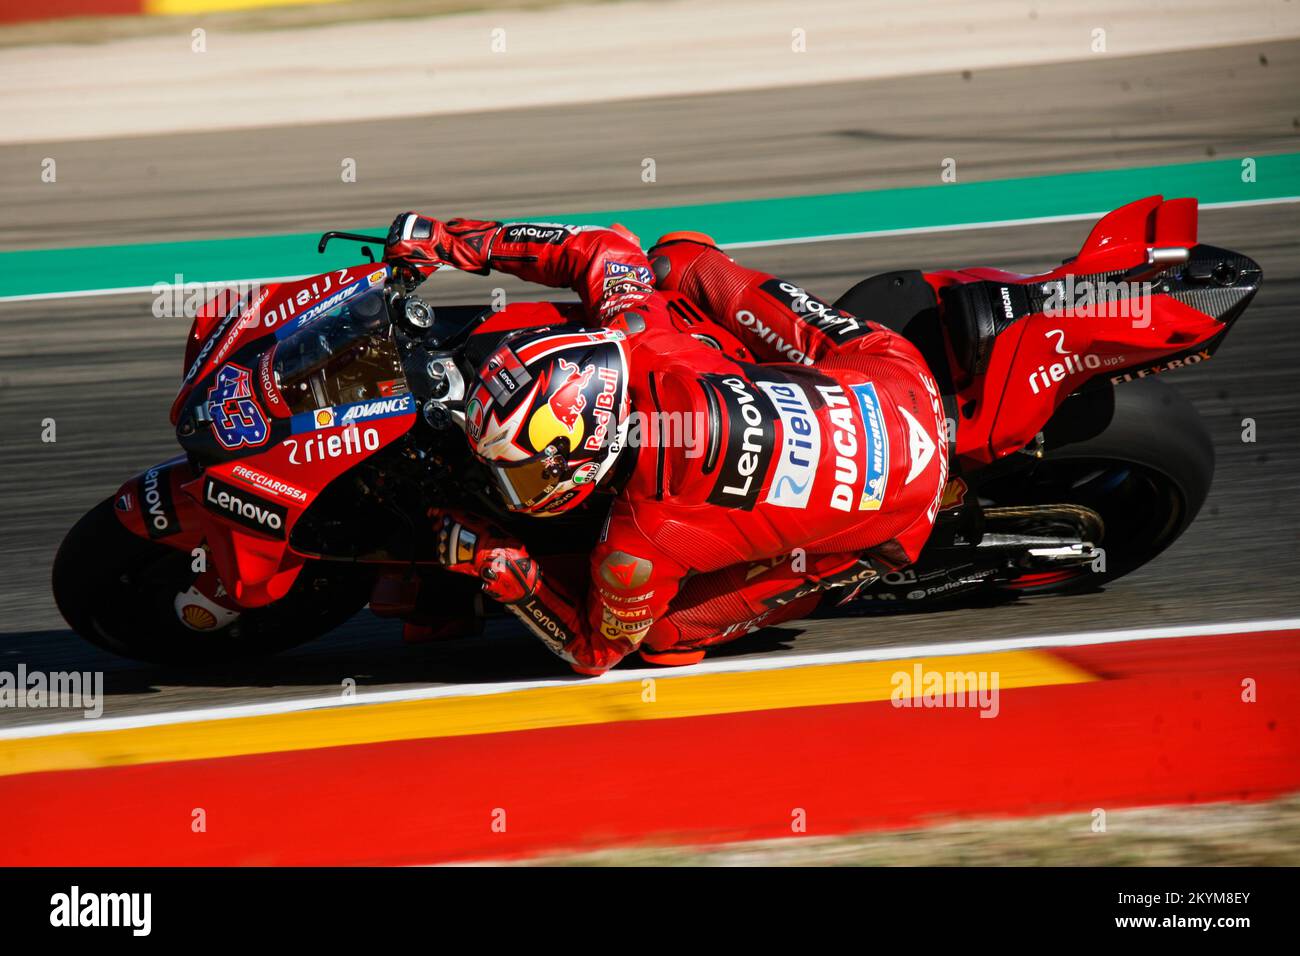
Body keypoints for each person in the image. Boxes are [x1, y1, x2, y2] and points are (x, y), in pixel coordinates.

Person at [384, 213, 949, 675]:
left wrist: (507, 569)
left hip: (901, 515)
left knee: (662, 637)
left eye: (526, 473)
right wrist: (450, 240)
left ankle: (841, 574)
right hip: (892, 371)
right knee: (676, 261)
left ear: (589, 458)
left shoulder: (643, 542)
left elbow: (593, 651)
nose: (508, 488)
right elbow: (601, 248)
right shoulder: (639, 333)